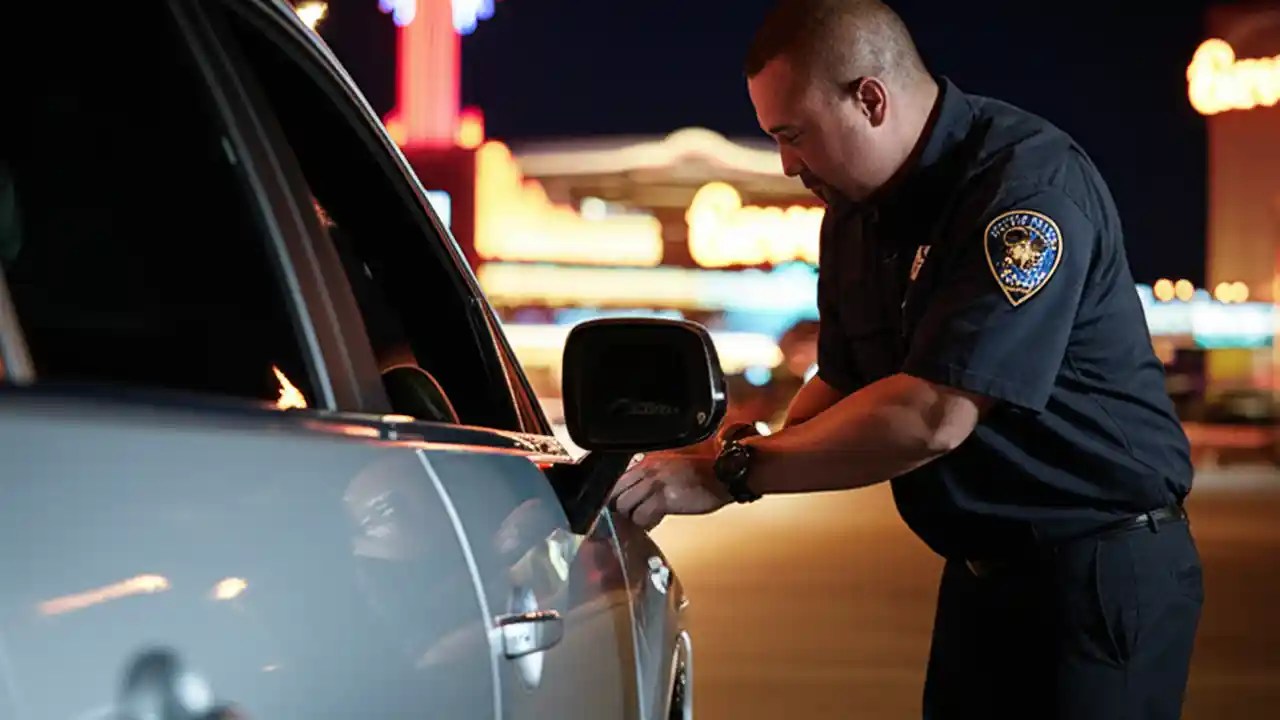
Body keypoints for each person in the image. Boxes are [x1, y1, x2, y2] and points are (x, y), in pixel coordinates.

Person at [608, 0, 1204, 717]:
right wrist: (730, 446)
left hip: (1099, 570)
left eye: (794, 135)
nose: (787, 165)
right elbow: (844, 381)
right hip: (983, 577)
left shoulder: (1022, 190)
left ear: (870, 99)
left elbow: (933, 415)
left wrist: (735, 474)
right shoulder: (856, 215)